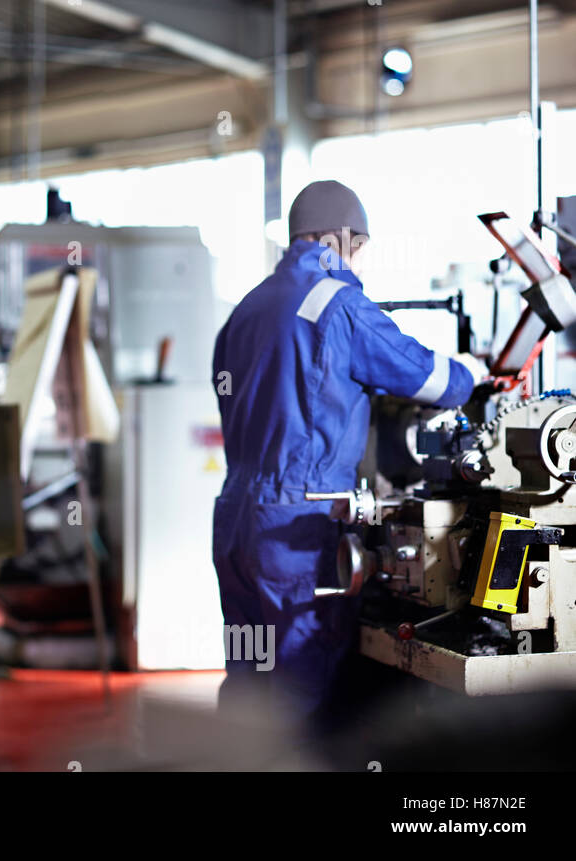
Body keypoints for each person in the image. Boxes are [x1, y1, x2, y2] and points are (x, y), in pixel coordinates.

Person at [210, 180, 488, 727]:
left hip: (236, 519)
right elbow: (432, 380)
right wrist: (472, 371)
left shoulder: (247, 309)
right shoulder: (336, 304)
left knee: (249, 675)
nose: (359, 259)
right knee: (301, 690)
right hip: (299, 524)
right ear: (341, 239)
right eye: (359, 246)